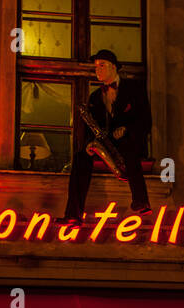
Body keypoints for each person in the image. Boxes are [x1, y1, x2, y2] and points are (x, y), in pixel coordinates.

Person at [62, 49, 151, 223]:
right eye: (96, 67)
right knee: (80, 159)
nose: (98, 70)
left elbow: (145, 119)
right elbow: (91, 126)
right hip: (105, 144)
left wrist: (126, 129)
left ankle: (141, 201)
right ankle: (73, 214)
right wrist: (89, 144)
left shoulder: (134, 89)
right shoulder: (95, 96)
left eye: (101, 65)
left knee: (129, 149)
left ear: (113, 68)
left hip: (127, 142)